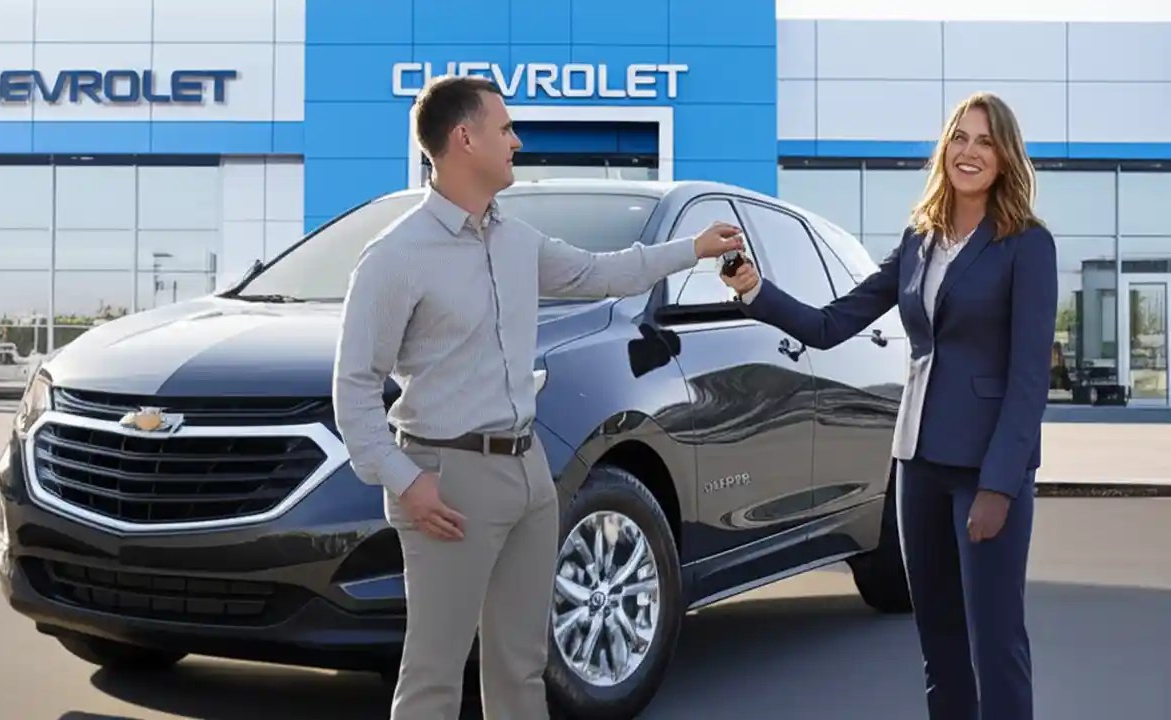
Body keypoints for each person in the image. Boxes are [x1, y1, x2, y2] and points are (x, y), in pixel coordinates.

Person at [332, 75, 744, 720]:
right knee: (434, 676)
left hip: (529, 473)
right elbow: (353, 387)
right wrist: (405, 482)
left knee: (523, 668)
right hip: (448, 480)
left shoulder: (516, 240)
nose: (517, 141)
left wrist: (691, 249)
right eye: (504, 128)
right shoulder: (395, 256)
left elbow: (602, 273)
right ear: (464, 139)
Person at [720, 91, 1055, 720]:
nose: (970, 151)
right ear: (945, 149)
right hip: (916, 464)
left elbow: (1029, 377)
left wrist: (1000, 485)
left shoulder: (1027, 245)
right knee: (940, 647)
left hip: (985, 471)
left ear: (1006, 156)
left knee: (996, 644)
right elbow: (831, 323)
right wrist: (756, 291)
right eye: (960, 138)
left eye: (985, 141)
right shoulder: (919, 240)